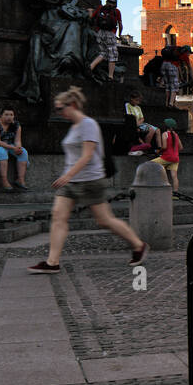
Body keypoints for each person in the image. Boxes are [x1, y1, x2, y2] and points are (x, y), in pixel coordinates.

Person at [29, 87, 147, 273]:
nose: (59, 112)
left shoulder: (88, 125)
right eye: (57, 109)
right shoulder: (74, 127)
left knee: (105, 220)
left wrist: (67, 175)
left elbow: (87, 156)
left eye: (61, 108)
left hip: (91, 180)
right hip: (70, 182)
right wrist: (67, 177)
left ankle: (138, 245)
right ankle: (52, 262)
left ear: (73, 105)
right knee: (58, 217)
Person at [0, 107, 29, 192]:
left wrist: (18, 148)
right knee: (2, 153)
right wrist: (13, 147)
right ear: (1, 115)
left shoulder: (16, 125)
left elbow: (17, 140)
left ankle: (20, 179)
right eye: (6, 114)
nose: (9, 117)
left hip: (9, 145)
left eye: (11, 115)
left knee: (23, 152)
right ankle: (4, 180)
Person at [89, 0, 123, 81]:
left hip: (100, 33)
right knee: (113, 55)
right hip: (110, 34)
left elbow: (91, 19)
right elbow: (120, 25)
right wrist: (120, 35)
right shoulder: (117, 11)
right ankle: (110, 76)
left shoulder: (100, 8)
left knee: (103, 53)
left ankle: (90, 67)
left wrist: (90, 12)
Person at [125, 91, 161, 155]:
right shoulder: (127, 105)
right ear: (131, 99)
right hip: (133, 123)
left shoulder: (138, 107)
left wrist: (139, 123)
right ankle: (146, 148)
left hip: (140, 123)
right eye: (136, 100)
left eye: (138, 101)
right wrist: (136, 125)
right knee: (151, 130)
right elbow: (130, 117)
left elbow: (142, 118)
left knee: (158, 130)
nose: (137, 102)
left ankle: (159, 149)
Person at [158, 118, 183, 192]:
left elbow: (164, 147)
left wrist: (158, 150)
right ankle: (176, 193)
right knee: (174, 176)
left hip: (166, 157)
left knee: (150, 164)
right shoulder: (176, 135)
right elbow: (181, 147)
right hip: (175, 158)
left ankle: (162, 187)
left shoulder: (165, 134)